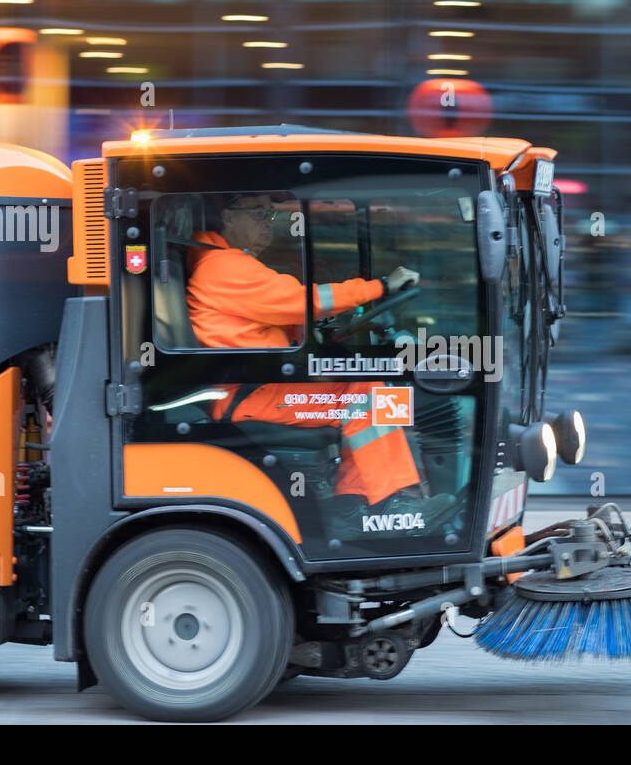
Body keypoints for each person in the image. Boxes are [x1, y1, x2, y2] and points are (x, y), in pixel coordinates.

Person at [184, 193, 456, 533]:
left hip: (260, 387)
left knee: (364, 386)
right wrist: (380, 286)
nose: (268, 221)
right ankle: (389, 501)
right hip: (251, 396)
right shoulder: (224, 267)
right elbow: (304, 301)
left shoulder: (228, 264)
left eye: (270, 214)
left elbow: (282, 314)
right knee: (367, 394)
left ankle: (354, 502)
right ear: (226, 217)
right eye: (258, 213)